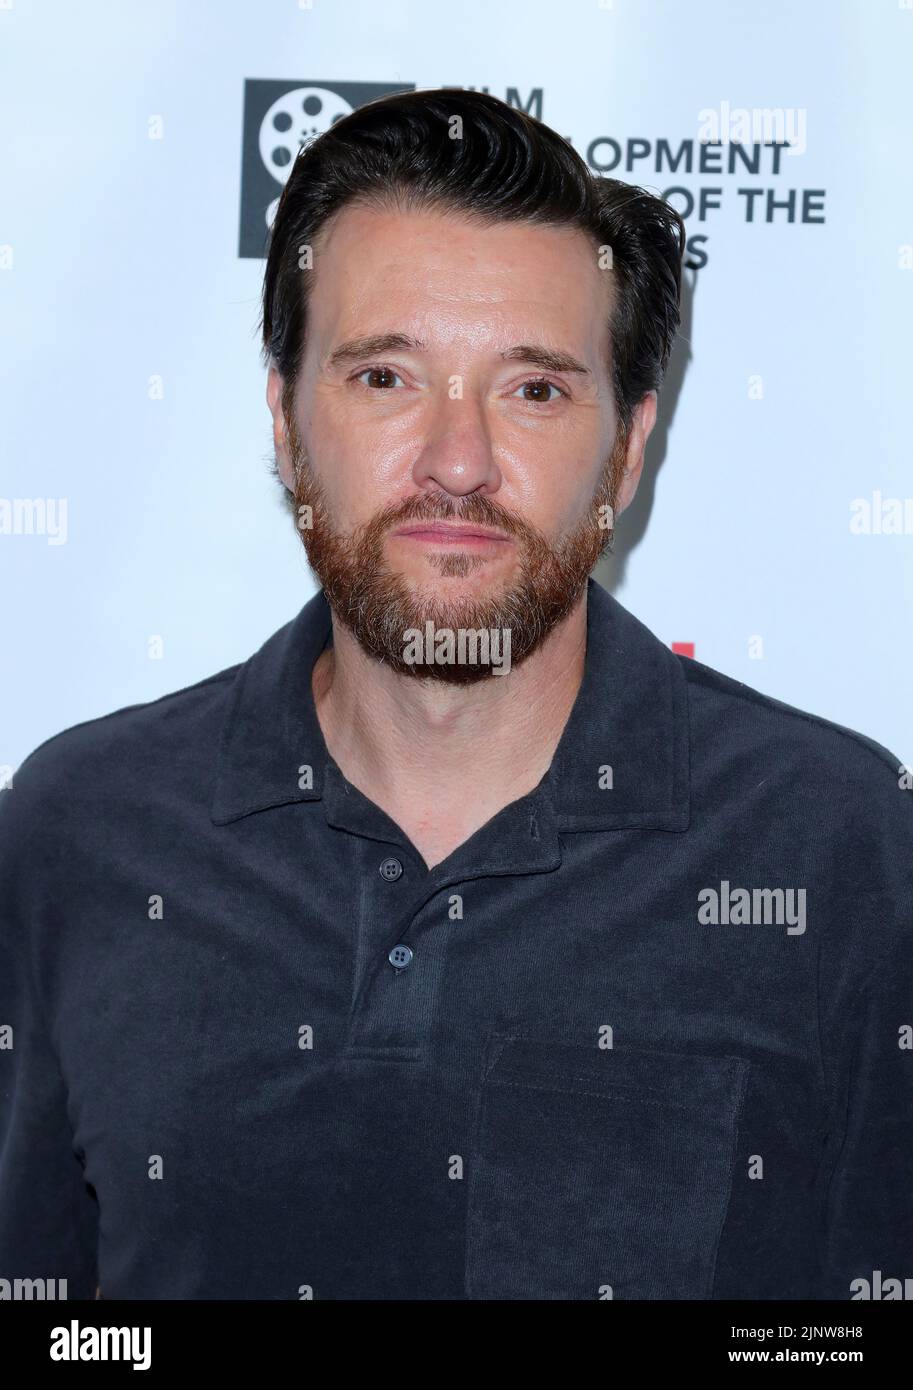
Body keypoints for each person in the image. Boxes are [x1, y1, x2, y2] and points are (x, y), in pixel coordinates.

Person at [1, 89, 910, 1301]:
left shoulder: (839, 844)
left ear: (629, 449)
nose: (457, 459)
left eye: (532, 389)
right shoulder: (84, 826)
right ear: (283, 419)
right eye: (385, 376)